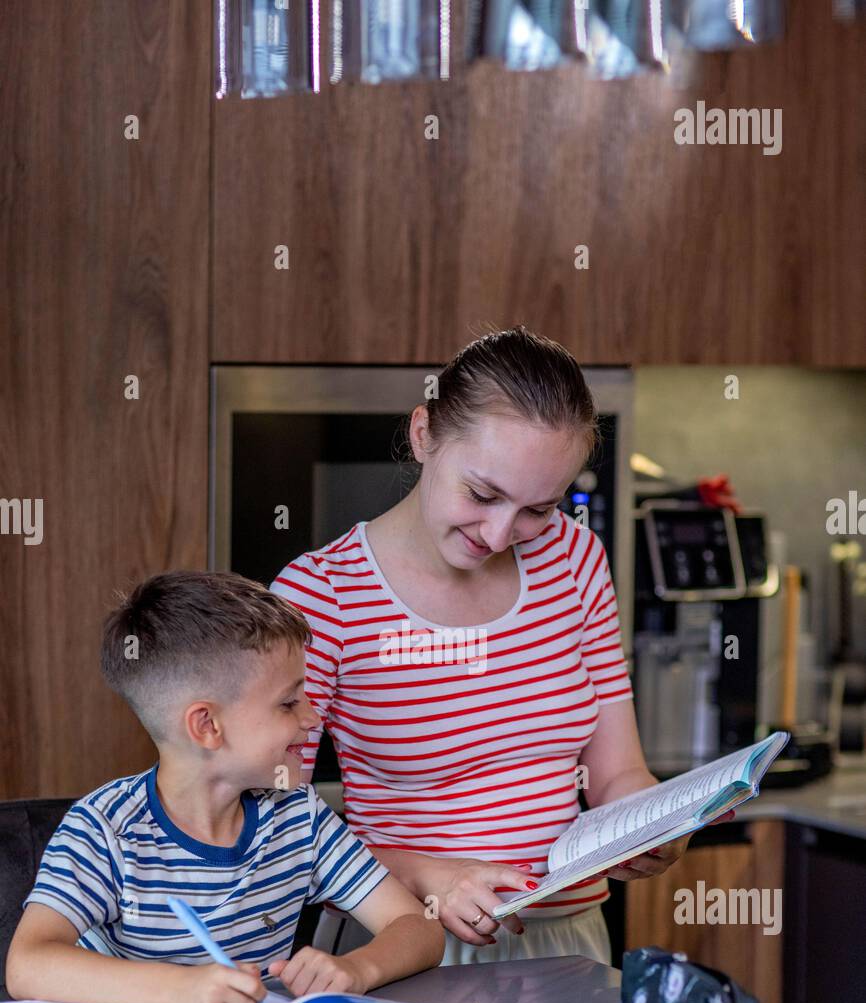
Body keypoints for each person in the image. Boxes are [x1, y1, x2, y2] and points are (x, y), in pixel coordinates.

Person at [272, 326, 731, 966]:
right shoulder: (324, 594)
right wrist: (430, 875)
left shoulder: (575, 559)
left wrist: (652, 827)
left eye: (537, 509)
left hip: (570, 943)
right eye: (483, 494)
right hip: (404, 948)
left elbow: (616, 771)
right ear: (423, 434)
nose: (499, 533)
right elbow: (274, 824)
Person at [6, 571, 444, 1003]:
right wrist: (180, 989)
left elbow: (419, 927)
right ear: (207, 726)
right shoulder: (105, 829)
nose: (314, 718)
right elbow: (27, 965)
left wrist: (357, 968)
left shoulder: (299, 816)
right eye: (289, 703)